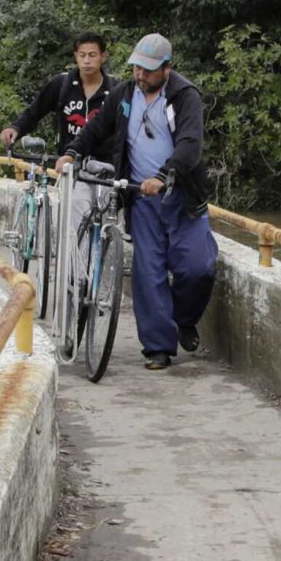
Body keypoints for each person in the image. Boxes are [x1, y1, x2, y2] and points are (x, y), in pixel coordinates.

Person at [70, 33, 218, 370]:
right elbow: (97, 129)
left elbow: (191, 145)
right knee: (148, 271)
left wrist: (165, 175)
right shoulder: (123, 95)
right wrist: (73, 152)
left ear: (167, 68)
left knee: (198, 267)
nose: (141, 76)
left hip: (181, 196)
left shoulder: (184, 95)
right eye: (137, 68)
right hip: (141, 198)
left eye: (149, 71)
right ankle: (158, 347)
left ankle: (184, 319)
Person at [1, 33, 115, 160]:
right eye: (82, 55)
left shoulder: (115, 89)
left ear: (103, 56)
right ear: (76, 56)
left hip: (104, 167)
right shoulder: (61, 84)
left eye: (92, 55)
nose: (86, 61)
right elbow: (33, 113)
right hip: (66, 163)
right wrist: (15, 128)